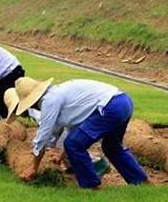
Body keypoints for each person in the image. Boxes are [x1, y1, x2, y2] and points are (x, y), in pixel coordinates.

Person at [10, 77, 148, 189]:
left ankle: (90, 186)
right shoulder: (59, 94)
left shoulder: (49, 101)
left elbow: (43, 136)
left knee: (74, 144)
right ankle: (140, 182)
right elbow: (74, 128)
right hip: (123, 102)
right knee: (112, 147)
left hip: (110, 106)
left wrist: (33, 168)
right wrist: (60, 155)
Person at [4, 88, 111, 179]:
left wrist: (38, 154)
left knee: (68, 144)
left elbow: (47, 133)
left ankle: (96, 164)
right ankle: (75, 167)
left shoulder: (37, 111)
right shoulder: (34, 110)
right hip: (68, 123)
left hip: (76, 120)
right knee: (63, 146)